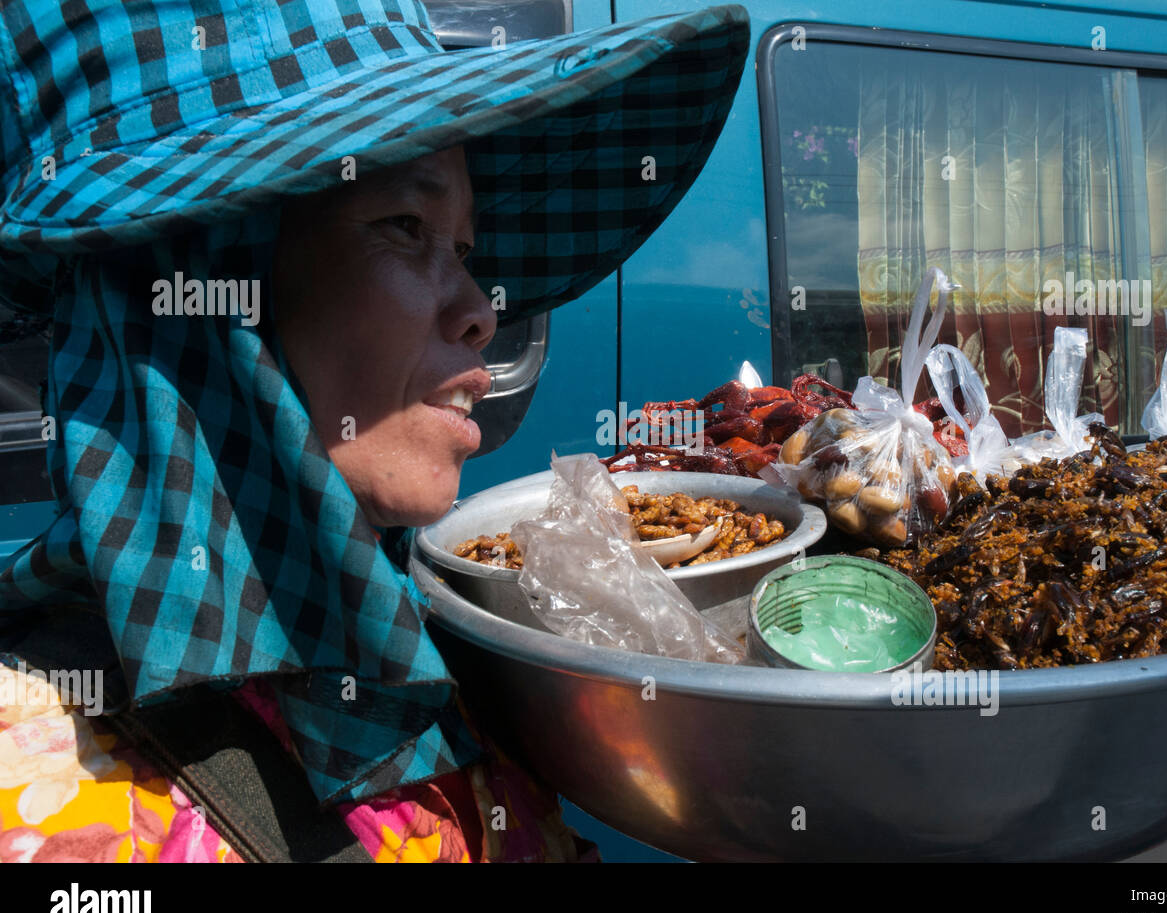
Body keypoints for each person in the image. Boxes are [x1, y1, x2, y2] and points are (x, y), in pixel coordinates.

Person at [0, 0, 749, 862]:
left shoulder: (417, 656)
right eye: (405, 226)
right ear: (215, 282)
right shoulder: (60, 804)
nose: (480, 312)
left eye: (465, 250)